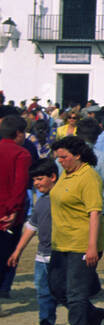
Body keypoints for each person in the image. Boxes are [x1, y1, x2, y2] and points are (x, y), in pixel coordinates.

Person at [48, 136, 104, 325]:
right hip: (61, 242)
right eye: (58, 157)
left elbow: (94, 213)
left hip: (81, 243)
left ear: (77, 155)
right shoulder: (66, 174)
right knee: (57, 287)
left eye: (64, 157)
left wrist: (91, 246)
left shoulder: (89, 177)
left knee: (76, 292)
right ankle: (93, 315)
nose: (60, 161)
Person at [7, 158, 58, 325]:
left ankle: (89, 316)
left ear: (53, 176)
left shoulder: (62, 198)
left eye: (40, 179)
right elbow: (32, 226)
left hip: (60, 254)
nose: (36, 183)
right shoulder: (41, 201)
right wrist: (18, 250)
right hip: (42, 255)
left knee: (64, 292)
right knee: (43, 292)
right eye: (34, 180)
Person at [0, 114, 33, 301]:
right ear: (18, 133)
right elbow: (19, 185)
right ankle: (4, 288)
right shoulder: (21, 154)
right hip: (8, 213)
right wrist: (13, 210)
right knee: (10, 252)